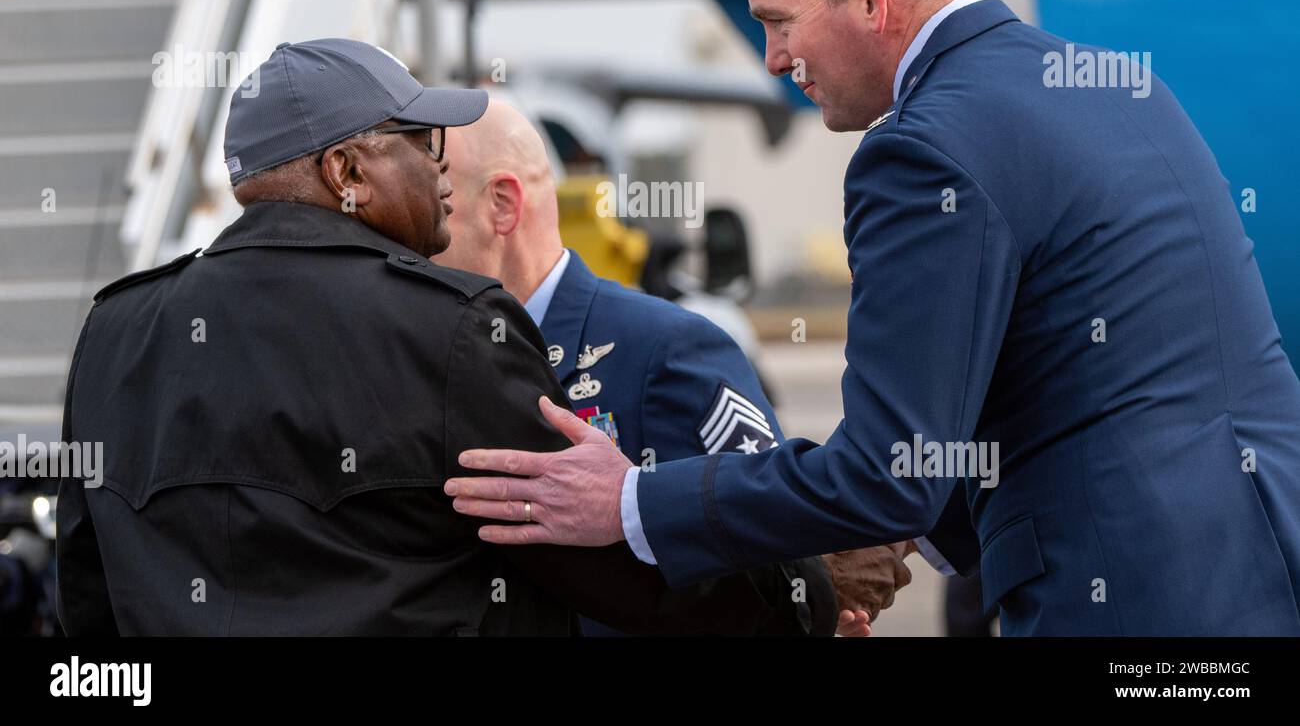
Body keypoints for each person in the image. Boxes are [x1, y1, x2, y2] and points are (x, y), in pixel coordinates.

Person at [444, 0, 1300, 635]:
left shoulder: (922, 148)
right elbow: (1067, 384)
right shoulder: (1121, 86)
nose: (776, 60)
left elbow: (889, 473)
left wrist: (628, 500)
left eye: (779, 24)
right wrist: (886, 534)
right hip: (1264, 558)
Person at [55, 38, 837, 636]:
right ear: (346, 171)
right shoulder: (455, 327)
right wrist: (804, 593)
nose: (439, 173)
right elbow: (609, 571)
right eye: (421, 144)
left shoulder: (115, 332)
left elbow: (86, 601)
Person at [436, 98, 910, 636]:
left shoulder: (666, 350)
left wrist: (818, 595)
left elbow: (776, 557)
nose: (414, 230)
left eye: (438, 200)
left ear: (503, 204)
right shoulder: (445, 354)